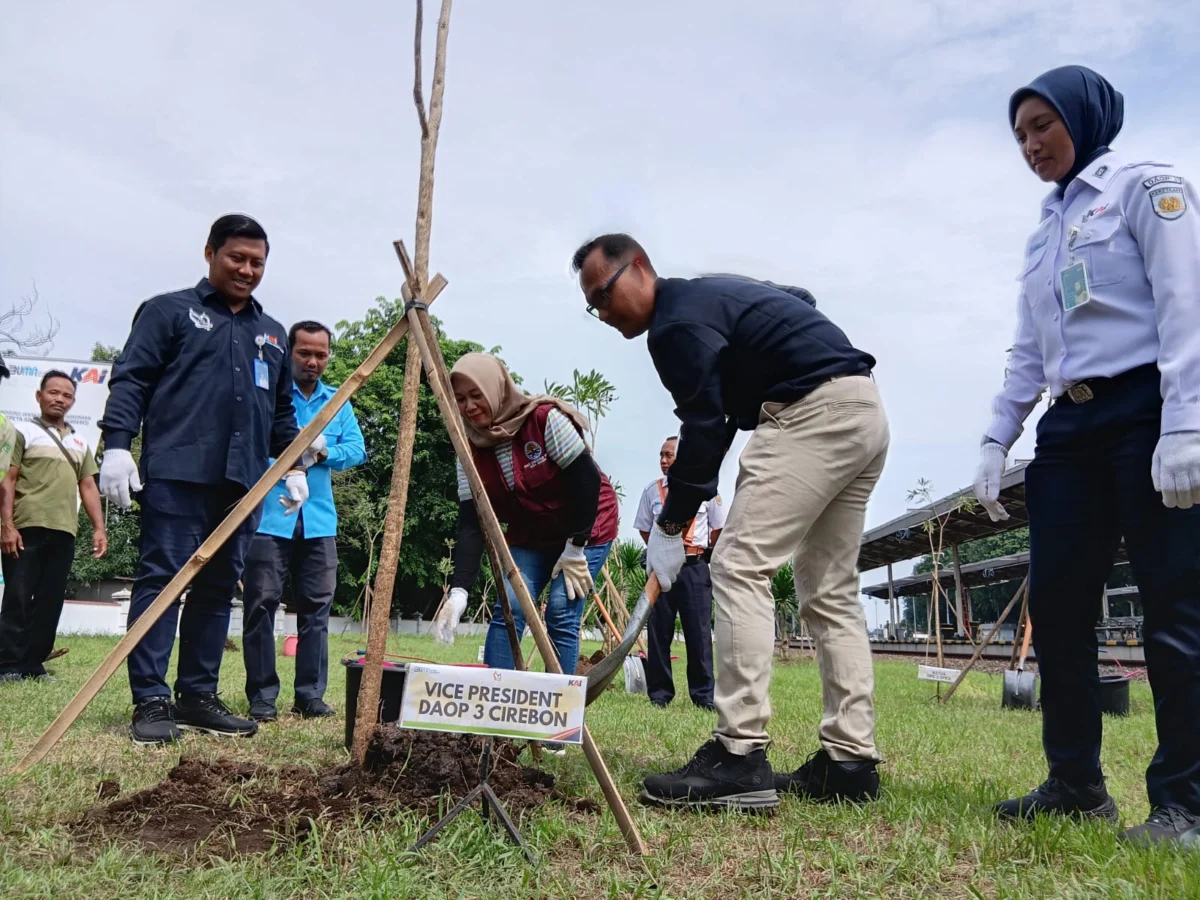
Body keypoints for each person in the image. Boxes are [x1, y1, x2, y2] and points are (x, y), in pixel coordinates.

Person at [573, 235, 888, 812]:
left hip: (809, 412)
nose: (601, 310)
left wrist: (670, 526)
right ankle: (850, 761)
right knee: (830, 591)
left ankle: (738, 756)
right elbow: (800, 297)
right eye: (591, 304)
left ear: (639, 267)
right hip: (862, 408)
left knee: (739, 566)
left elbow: (707, 427)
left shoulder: (673, 326)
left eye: (603, 292)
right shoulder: (712, 298)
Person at [973, 65, 1200, 847]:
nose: (1031, 144)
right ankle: (1075, 783)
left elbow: (1187, 300)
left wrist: (1186, 423)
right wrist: (997, 435)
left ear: (1084, 115)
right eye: (1020, 135)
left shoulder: (1145, 186)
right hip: (1068, 434)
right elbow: (1029, 350)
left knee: (1176, 608)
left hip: (1147, 411)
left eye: (1043, 124)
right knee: (1060, 607)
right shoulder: (1046, 233)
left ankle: (1185, 805)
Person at [99, 213, 316, 746]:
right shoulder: (170, 312)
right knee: (161, 585)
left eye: (257, 262)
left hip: (241, 485)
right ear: (210, 253)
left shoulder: (270, 334)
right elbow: (132, 380)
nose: (247, 270)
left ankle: (196, 695)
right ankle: (151, 698)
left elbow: (282, 412)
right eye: (236, 258)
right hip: (178, 473)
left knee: (219, 588)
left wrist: (291, 465)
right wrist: (118, 446)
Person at [431, 352, 618, 677]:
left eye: (477, 395)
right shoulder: (467, 447)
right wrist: (459, 591)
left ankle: (558, 710)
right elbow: (472, 523)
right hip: (532, 534)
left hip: (586, 526)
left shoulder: (543, 420)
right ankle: (495, 704)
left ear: (497, 389)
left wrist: (575, 549)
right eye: (460, 399)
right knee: (512, 607)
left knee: (561, 610)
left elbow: (586, 481)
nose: (469, 406)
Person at [241, 320, 366, 722]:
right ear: (290, 352)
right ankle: (262, 697)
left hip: (319, 522)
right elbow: (251, 444)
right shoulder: (271, 397)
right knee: (260, 605)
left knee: (317, 610)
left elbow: (357, 450)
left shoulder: (338, 401)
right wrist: (288, 461)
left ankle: (310, 696)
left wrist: (325, 451)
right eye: (304, 353)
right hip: (269, 518)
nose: (313, 362)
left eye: (321, 355)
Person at [0, 371, 106, 682]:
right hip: (25, 527)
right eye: (53, 392)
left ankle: (33, 664)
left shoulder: (78, 441)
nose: (59, 399)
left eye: (67, 395)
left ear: (73, 401)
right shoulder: (21, 433)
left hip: (64, 531)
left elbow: (87, 486)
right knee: (18, 598)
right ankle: (7, 665)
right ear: (39, 396)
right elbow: (9, 479)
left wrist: (99, 528)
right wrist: (7, 525)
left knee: (50, 600)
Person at [633, 435, 726, 709]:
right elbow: (644, 527)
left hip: (695, 568)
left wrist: (703, 552)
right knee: (658, 630)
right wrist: (661, 551)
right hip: (662, 570)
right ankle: (660, 695)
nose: (663, 461)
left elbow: (718, 527)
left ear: (682, 458)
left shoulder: (707, 490)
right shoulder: (652, 492)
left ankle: (703, 696)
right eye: (661, 455)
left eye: (669, 455)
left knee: (698, 632)